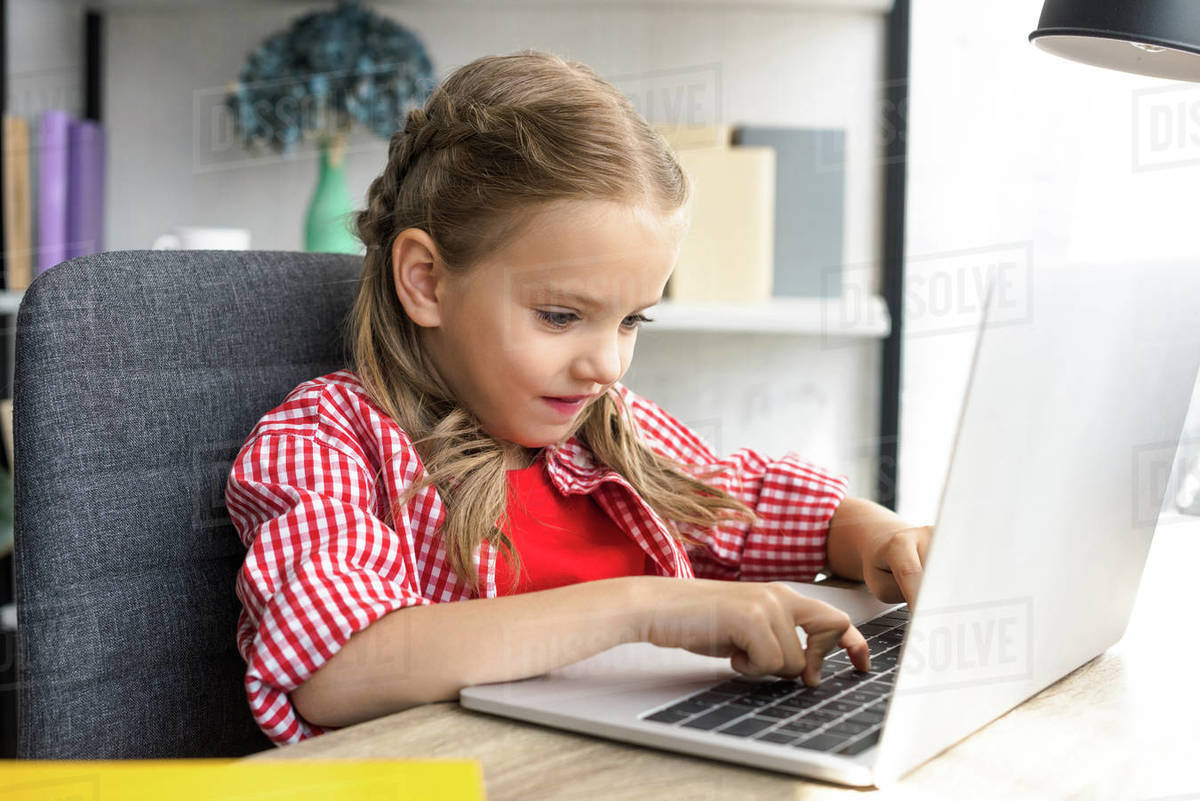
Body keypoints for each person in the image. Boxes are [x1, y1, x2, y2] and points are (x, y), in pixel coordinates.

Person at [225, 49, 933, 748]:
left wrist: (879, 534)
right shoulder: (329, 437)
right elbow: (335, 667)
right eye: (561, 316)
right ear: (426, 280)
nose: (606, 364)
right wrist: (649, 608)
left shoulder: (602, 428)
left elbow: (758, 506)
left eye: (631, 320)